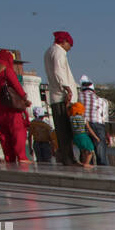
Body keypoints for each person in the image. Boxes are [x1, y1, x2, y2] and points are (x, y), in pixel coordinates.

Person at [0, 49, 29, 163]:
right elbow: (17, 87)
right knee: (17, 132)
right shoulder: (6, 71)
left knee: (4, 135)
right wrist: (25, 99)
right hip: (10, 108)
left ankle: (9, 158)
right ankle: (22, 157)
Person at [44, 31, 78, 165]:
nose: (69, 48)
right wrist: (67, 88)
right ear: (64, 42)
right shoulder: (58, 52)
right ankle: (68, 159)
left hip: (55, 95)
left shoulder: (49, 51)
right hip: (62, 97)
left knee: (61, 131)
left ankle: (66, 157)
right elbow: (58, 71)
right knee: (65, 131)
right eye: (69, 45)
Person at [78, 77, 109, 165]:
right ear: (93, 90)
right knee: (101, 154)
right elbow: (104, 119)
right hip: (98, 126)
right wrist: (106, 134)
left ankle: (87, 173)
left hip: (83, 126)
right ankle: (103, 172)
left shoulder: (78, 97)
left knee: (86, 153)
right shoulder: (102, 101)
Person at [68, 102, 99, 168]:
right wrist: (96, 137)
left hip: (75, 137)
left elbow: (67, 109)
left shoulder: (71, 118)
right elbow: (89, 128)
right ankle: (86, 163)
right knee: (90, 149)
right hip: (83, 135)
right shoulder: (83, 118)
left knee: (84, 150)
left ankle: (84, 162)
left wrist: (67, 103)